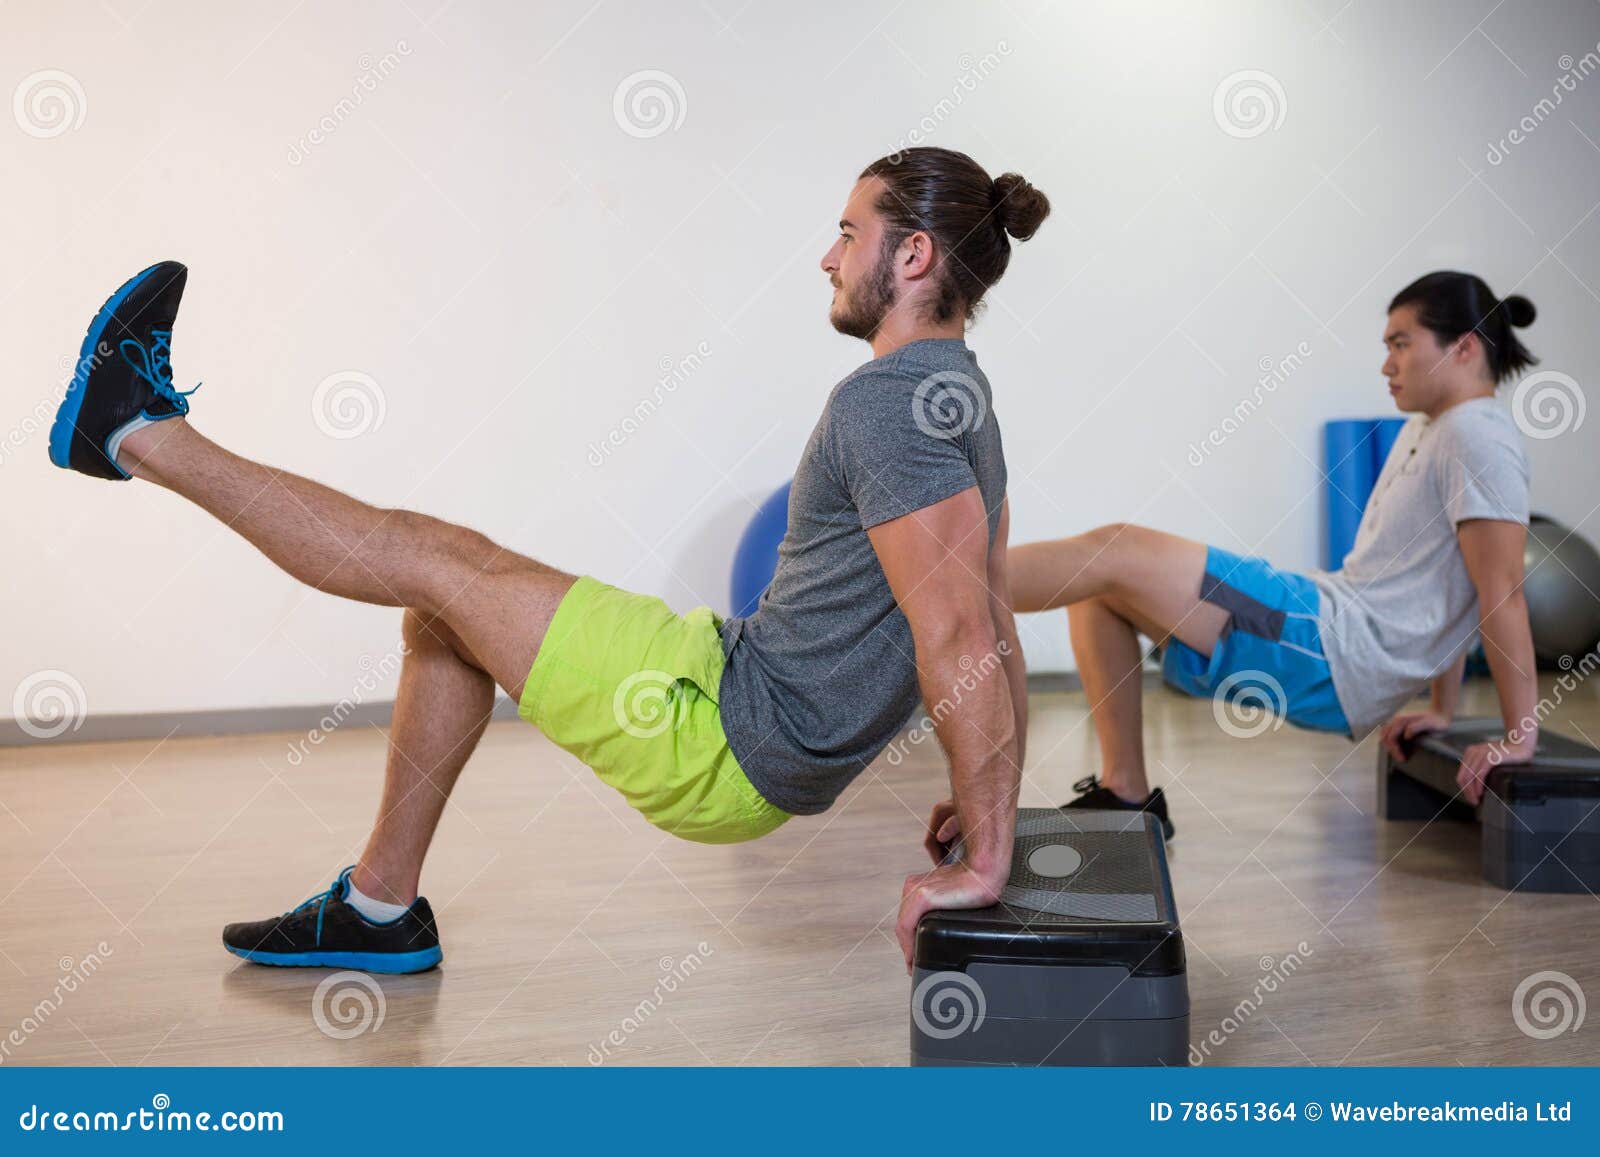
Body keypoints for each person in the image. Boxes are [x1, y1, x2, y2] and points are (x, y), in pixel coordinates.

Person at [49, 147, 1049, 974]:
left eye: (847, 232)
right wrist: (986, 800)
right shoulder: (962, 397)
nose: (826, 258)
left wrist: (989, 853)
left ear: (912, 254)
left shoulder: (883, 404)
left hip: (719, 735)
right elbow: (992, 617)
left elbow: (957, 629)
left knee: (425, 558)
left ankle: (133, 430)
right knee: (444, 601)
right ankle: (380, 903)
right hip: (720, 675)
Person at [1008, 272, 1540, 835]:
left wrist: (1519, 734)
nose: (1387, 364)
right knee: (1097, 590)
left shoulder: (1478, 436)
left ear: (1463, 347)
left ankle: (927, 596)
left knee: (1112, 550)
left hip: (1327, 642)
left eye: (1401, 344)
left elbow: (1500, 590)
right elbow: (1443, 581)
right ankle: (1126, 794)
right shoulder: (1432, 429)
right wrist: (1442, 710)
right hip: (1316, 618)